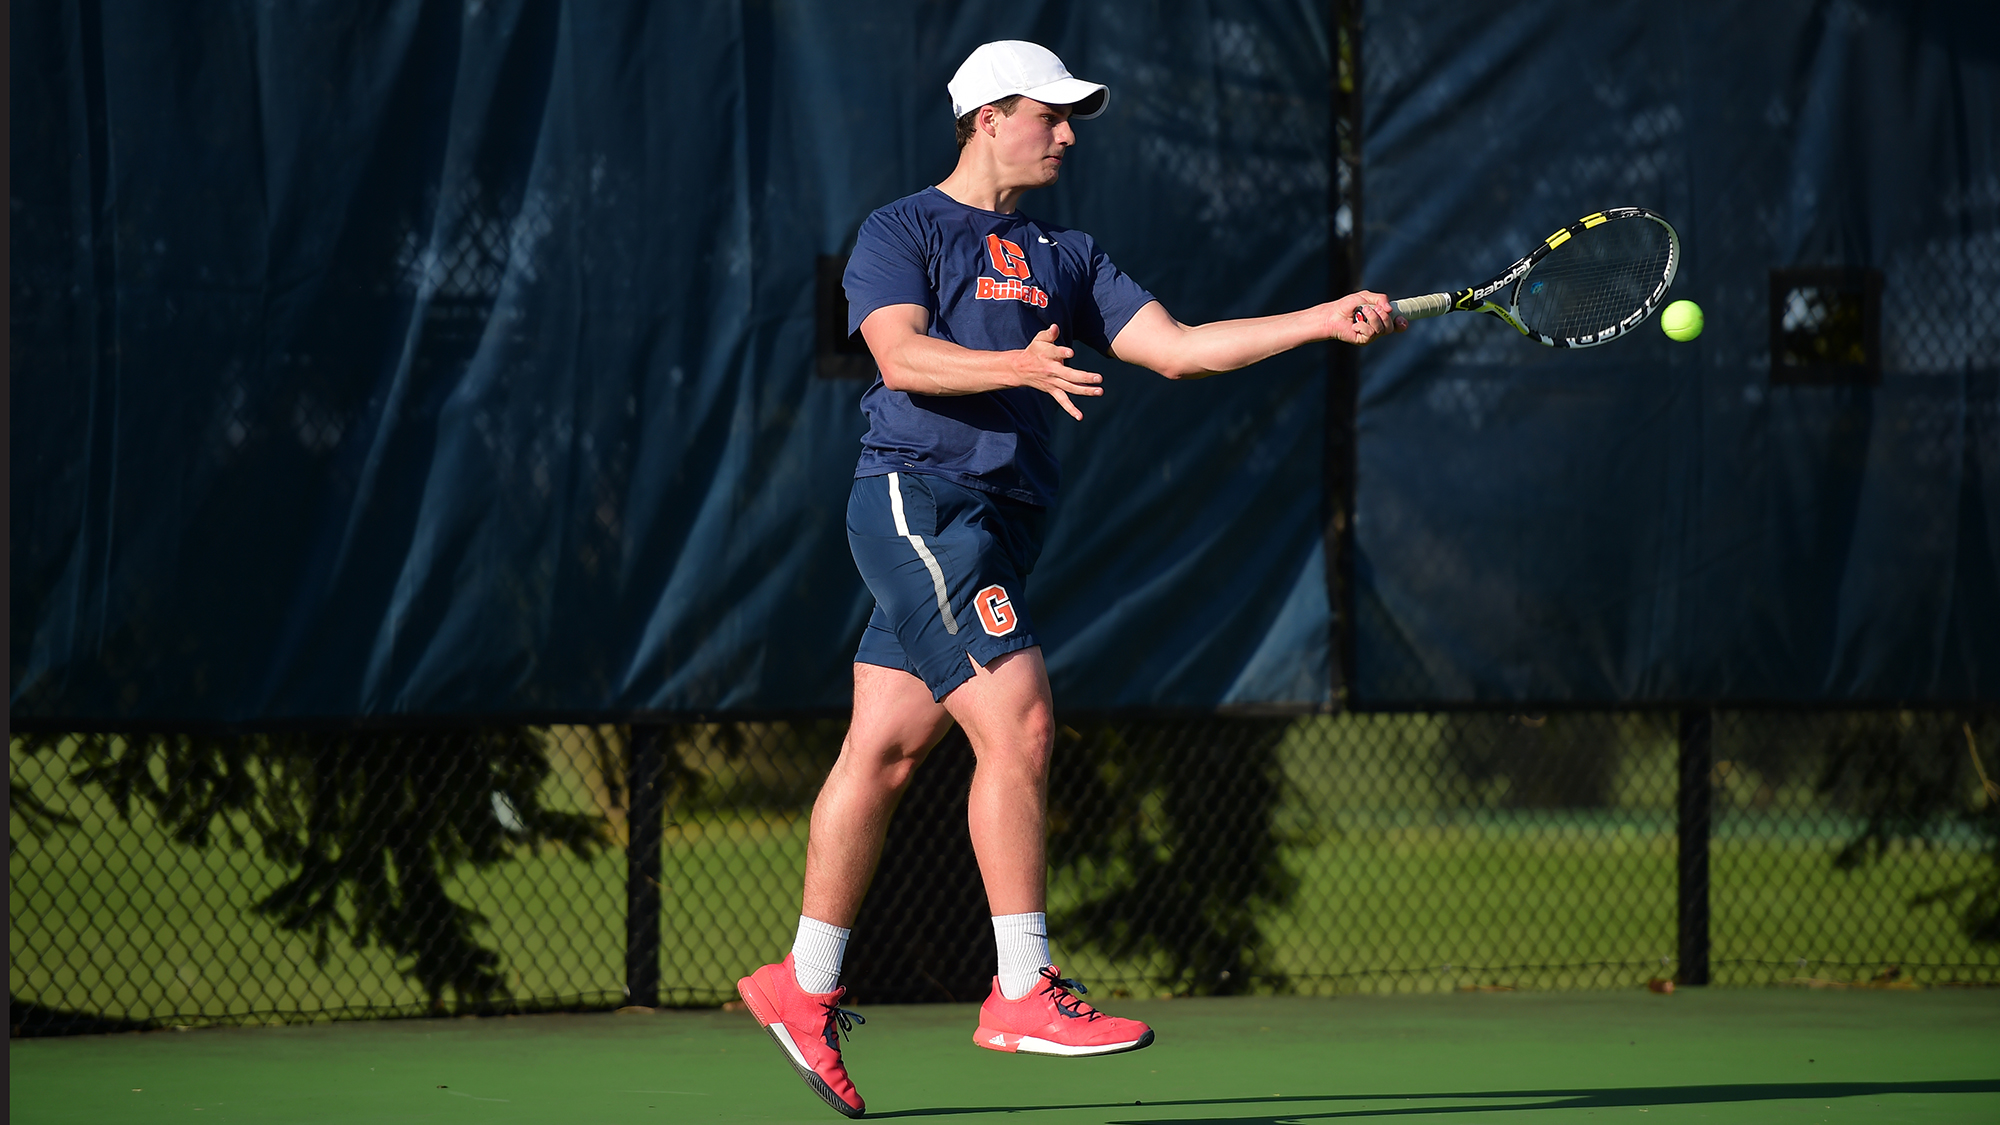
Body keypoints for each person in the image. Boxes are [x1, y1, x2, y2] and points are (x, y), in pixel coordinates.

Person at [736, 40, 1402, 1118]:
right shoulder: (901, 231)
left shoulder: (1068, 253)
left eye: (1071, 113)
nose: (1067, 131)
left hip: (1002, 523)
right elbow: (901, 358)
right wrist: (1019, 365)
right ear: (987, 116)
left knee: (888, 749)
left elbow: (1180, 349)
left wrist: (1320, 321)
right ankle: (1019, 989)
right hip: (921, 504)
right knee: (1022, 723)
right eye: (1049, 112)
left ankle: (799, 987)